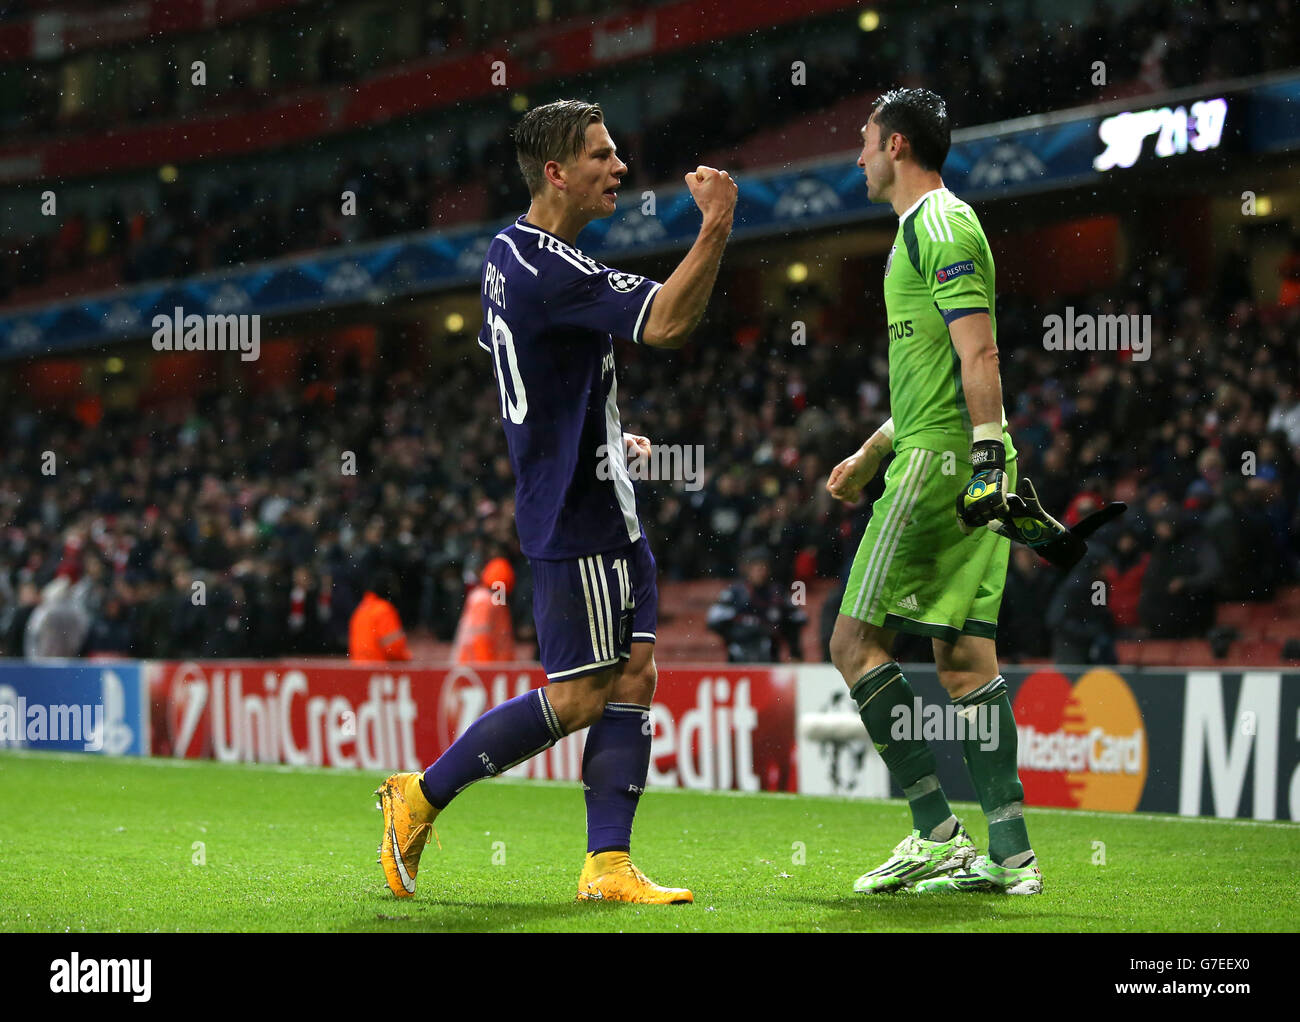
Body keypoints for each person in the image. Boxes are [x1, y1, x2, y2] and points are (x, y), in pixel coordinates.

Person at [374, 98, 737, 903]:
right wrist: (714, 225)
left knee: (636, 673)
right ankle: (421, 794)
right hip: (577, 515)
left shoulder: (506, 254)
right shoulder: (553, 268)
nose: (619, 168)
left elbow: (543, 373)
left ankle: (607, 864)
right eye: (602, 156)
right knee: (581, 695)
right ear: (556, 171)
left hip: (601, 493)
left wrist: (606, 435)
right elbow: (670, 322)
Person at [824, 88, 1041, 895]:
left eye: (866, 142)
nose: (858, 156)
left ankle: (935, 833)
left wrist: (983, 457)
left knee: (851, 644)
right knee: (960, 658)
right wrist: (874, 446)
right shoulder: (927, 230)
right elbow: (936, 373)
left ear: (900, 146)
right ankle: (1010, 855)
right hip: (943, 452)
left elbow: (978, 357)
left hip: (946, 464)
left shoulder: (939, 226)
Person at [707, 549, 807, 662]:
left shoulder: (778, 593)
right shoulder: (734, 593)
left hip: (770, 656)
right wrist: (741, 631)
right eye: (756, 567)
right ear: (748, 569)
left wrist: (794, 651)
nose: (760, 571)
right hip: (739, 654)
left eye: (763, 567)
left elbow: (797, 619)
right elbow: (714, 620)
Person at [450, 556, 517, 663]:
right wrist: (486, 670)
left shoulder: (487, 598)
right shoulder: (485, 601)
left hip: (485, 665)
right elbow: (480, 637)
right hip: (477, 666)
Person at [348, 569, 412, 662]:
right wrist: (407, 657)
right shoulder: (384, 610)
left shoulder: (360, 609)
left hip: (358, 668)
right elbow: (393, 648)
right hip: (379, 669)